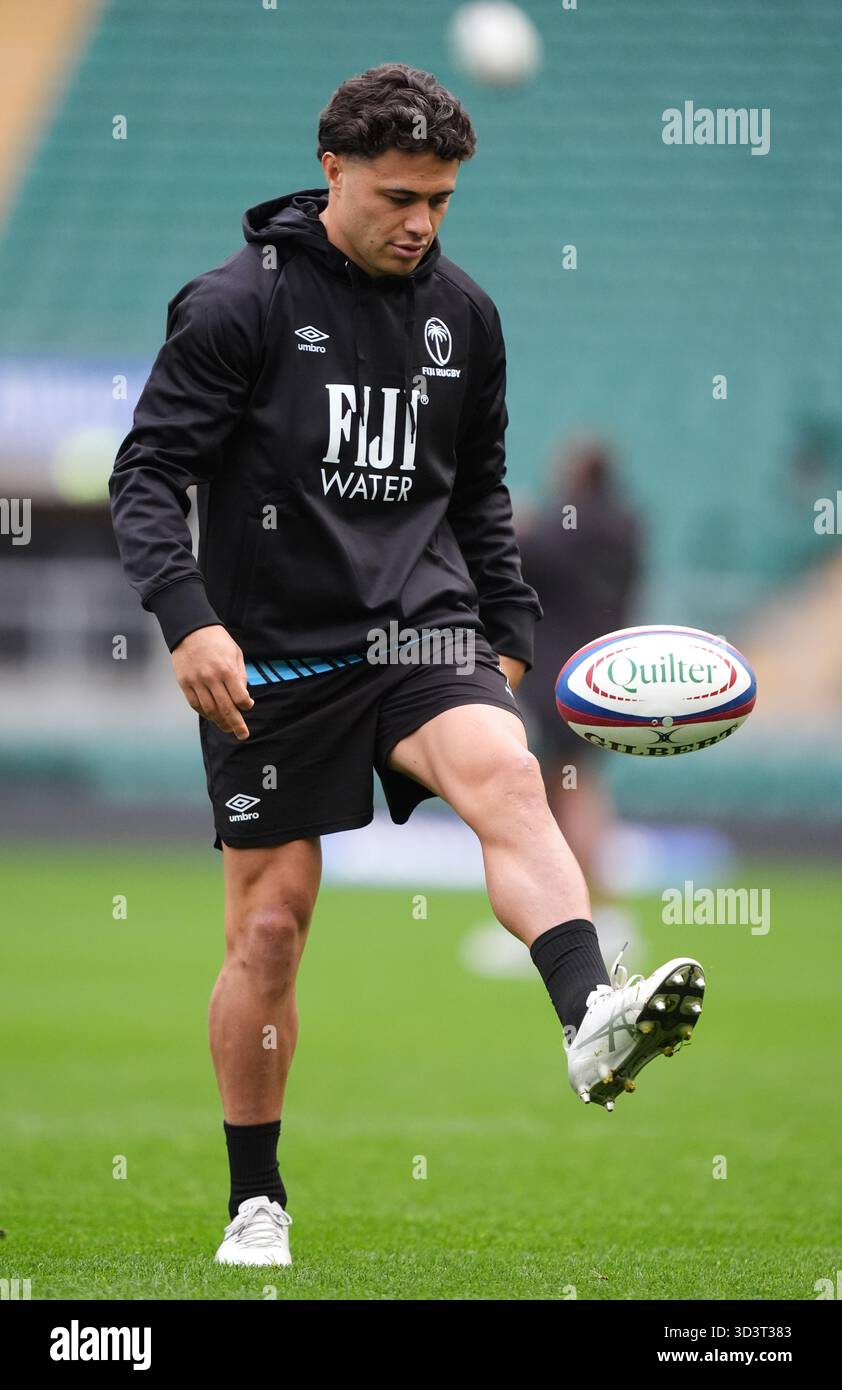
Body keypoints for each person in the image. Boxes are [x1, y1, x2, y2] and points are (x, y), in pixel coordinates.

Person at [109, 64, 705, 1269]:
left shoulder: (465, 316)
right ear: (331, 171)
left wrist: (510, 631)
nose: (420, 221)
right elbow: (143, 475)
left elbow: (477, 492)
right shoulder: (235, 306)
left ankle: (588, 1014)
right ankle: (255, 1198)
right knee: (269, 930)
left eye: (439, 197)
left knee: (505, 769)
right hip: (264, 657)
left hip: (415, 632)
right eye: (395, 195)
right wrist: (186, 616)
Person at [518, 438, 643, 885]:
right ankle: (572, 902)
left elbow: (521, 558)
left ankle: (596, 903)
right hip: (611, 671)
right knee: (566, 783)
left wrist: (519, 522)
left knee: (574, 787)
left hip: (565, 676)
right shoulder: (625, 526)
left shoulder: (566, 526)